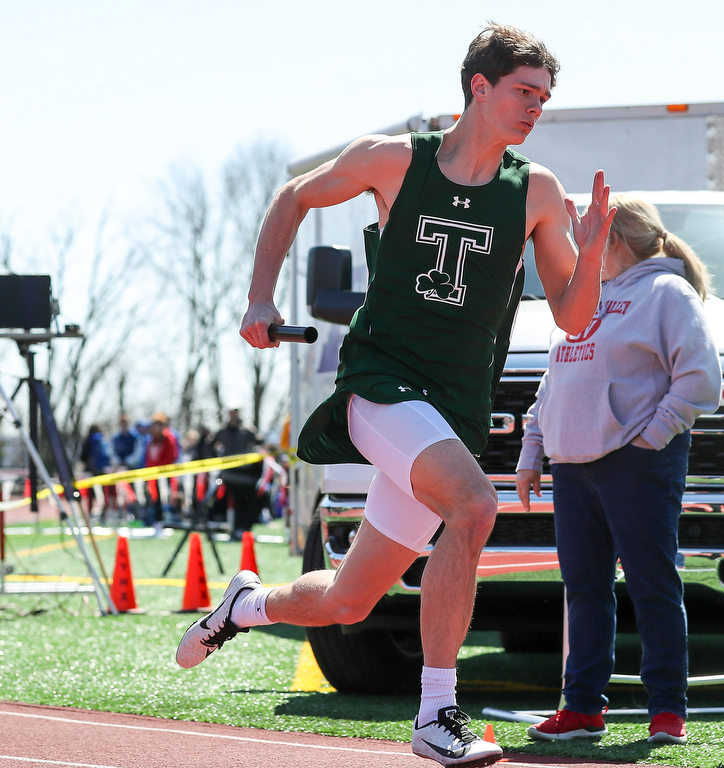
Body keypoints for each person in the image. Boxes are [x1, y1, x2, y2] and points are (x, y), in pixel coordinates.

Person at [175, 23, 616, 768]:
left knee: (349, 602)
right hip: (382, 385)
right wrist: (258, 299)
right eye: (524, 91)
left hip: (452, 410)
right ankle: (436, 713)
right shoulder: (393, 161)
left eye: (545, 97)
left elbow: (574, 317)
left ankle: (244, 606)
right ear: (479, 86)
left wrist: (595, 247)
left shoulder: (536, 190)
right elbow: (292, 197)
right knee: (475, 507)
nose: (536, 107)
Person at [515, 196, 721, 745]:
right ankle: (582, 709)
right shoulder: (589, 295)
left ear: (617, 238)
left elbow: (701, 378)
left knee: (654, 586)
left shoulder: (667, 292)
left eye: (589, 232)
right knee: (584, 589)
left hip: (636, 463)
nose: (579, 242)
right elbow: (553, 382)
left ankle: (667, 712)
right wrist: (533, 450)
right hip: (574, 466)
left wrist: (650, 439)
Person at [212, 409, 263, 539]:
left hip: (246, 474)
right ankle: (235, 529)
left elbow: (260, 441)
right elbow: (209, 445)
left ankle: (243, 528)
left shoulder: (246, 430)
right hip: (229, 474)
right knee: (233, 504)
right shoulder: (222, 431)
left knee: (248, 502)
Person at [143, 413, 179, 536]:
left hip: (165, 474)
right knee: (155, 499)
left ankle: (168, 521)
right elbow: (148, 456)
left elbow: (172, 456)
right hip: (153, 475)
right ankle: (157, 522)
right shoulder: (152, 439)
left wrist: (161, 468)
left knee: (166, 497)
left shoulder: (169, 438)